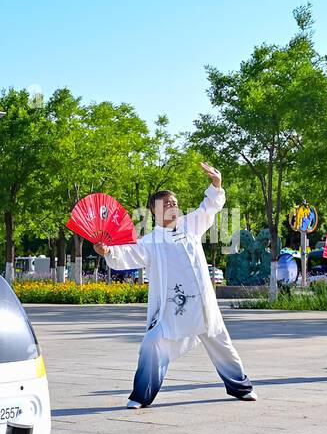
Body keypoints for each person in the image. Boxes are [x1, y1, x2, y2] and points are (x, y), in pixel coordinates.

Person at [93, 162, 255, 408]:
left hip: (203, 305)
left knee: (222, 344)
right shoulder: (149, 241)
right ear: (154, 211)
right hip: (173, 310)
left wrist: (216, 184)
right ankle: (140, 396)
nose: (173, 206)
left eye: (175, 203)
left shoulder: (191, 225)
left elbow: (209, 207)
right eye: (167, 204)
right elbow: (124, 255)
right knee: (153, 342)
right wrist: (106, 251)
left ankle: (241, 388)